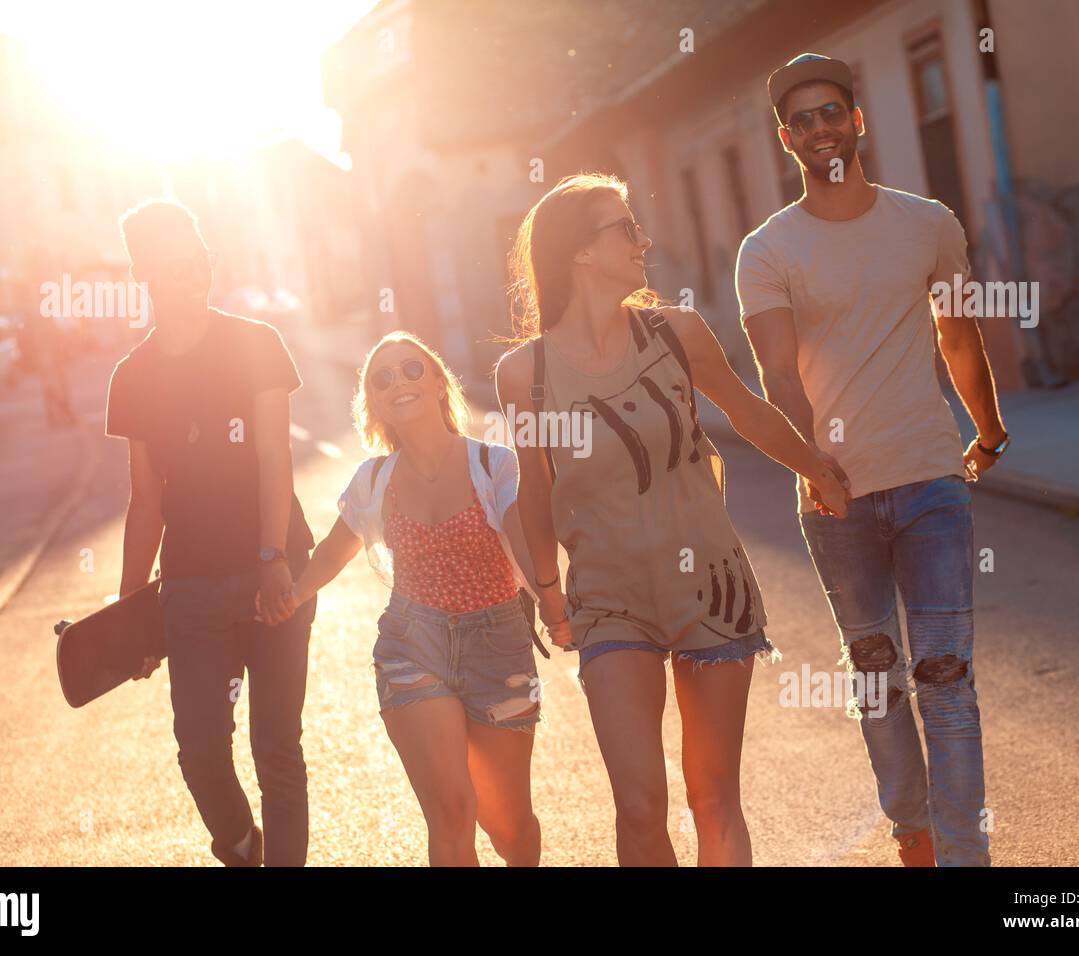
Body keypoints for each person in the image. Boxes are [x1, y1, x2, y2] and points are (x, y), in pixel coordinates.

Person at [495, 172, 850, 866]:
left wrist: (817, 468)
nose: (643, 239)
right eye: (625, 227)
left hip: (710, 585)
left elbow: (746, 412)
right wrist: (547, 592)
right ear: (580, 252)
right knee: (638, 806)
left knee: (712, 795)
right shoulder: (524, 374)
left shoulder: (677, 333)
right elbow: (533, 491)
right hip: (607, 600)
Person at [737, 54, 1010, 867]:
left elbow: (958, 334)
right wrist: (816, 467)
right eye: (803, 119)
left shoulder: (928, 223)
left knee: (945, 677)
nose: (820, 128)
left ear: (858, 121)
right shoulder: (767, 248)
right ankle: (914, 833)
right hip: (836, 499)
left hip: (930, 478)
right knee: (879, 676)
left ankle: (967, 856)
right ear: (788, 139)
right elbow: (777, 374)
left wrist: (988, 432)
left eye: (833, 112)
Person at [105, 199, 317, 867]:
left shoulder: (256, 343)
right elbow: (145, 502)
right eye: (172, 267)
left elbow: (272, 456)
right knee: (199, 747)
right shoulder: (132, 377)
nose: (192, 277)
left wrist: (272, 555)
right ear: (143, 275)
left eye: (198, 261)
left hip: (274, 569)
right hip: (191, 584)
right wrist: (130, 617)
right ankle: (239, 843)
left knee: (276, 746)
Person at [283, 331, 546, 866]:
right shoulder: (372, 480)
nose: (399, 382)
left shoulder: (494, 465)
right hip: (412, 645)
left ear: (437, 381)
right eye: (382, 379)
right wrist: (286, 598)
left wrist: (555, 597)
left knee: (508, 823)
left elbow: (527, 543)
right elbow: (334, 552)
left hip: (499, 645)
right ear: (374, 404)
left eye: (411, 369)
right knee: (451, 811)